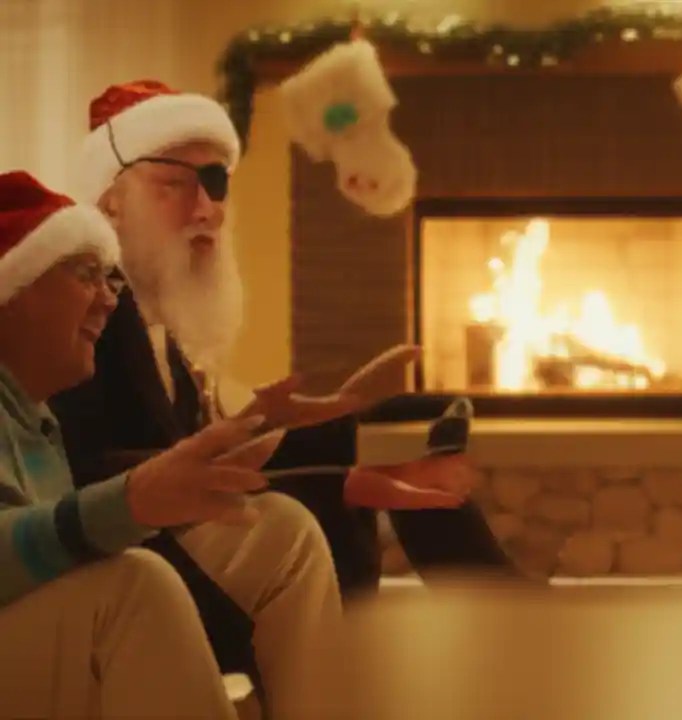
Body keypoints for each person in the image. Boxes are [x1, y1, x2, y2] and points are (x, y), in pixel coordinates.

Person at [52, 80, 515, 598]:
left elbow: (178, 444)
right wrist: (327, 475)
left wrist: (270, 422)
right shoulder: (82, 315)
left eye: (216, 184)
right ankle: (506, 614)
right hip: (156, 556)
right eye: (175, 185)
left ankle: (499, 610)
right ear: (110, 203)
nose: (208, 210)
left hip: (190, 517)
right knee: (351, 469)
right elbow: (78, 470)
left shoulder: (160, 321)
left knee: (400, 419)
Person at [0, 170, 343, 719]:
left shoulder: (34, 411)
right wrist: (134, 499)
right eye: (86, 275)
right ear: (12, 288)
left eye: (111, 281)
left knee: (281, 532)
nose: (108, 302)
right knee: (135, 585)